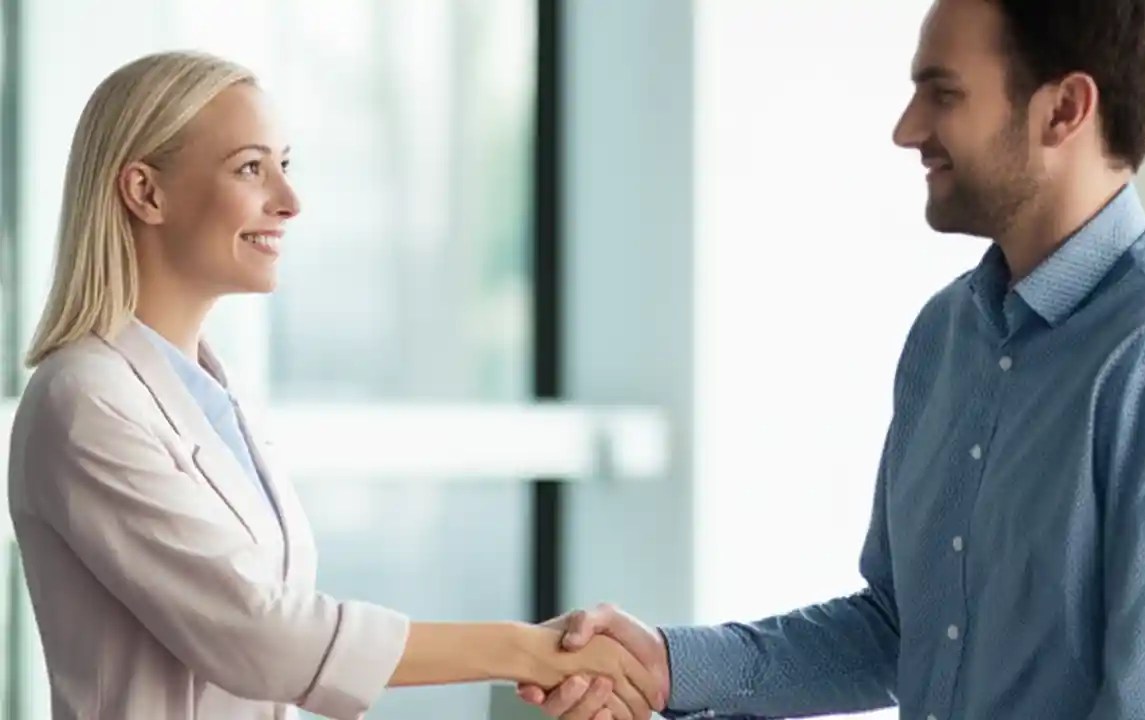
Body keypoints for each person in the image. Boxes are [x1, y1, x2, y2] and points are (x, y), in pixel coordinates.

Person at [520, 0, 1145, 718]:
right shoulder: (948, 335)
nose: (907, 129)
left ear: (1064, 110)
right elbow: (897, 628)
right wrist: (668, 664)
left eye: (942, 94)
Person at [6, 51, 663, 720]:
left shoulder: (210, 399)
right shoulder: (84, 399)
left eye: (284, 166)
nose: (289, 202)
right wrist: (524, 650)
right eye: (250, 168)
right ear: (146, 192)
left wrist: (542, 656)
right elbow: (262, 637)